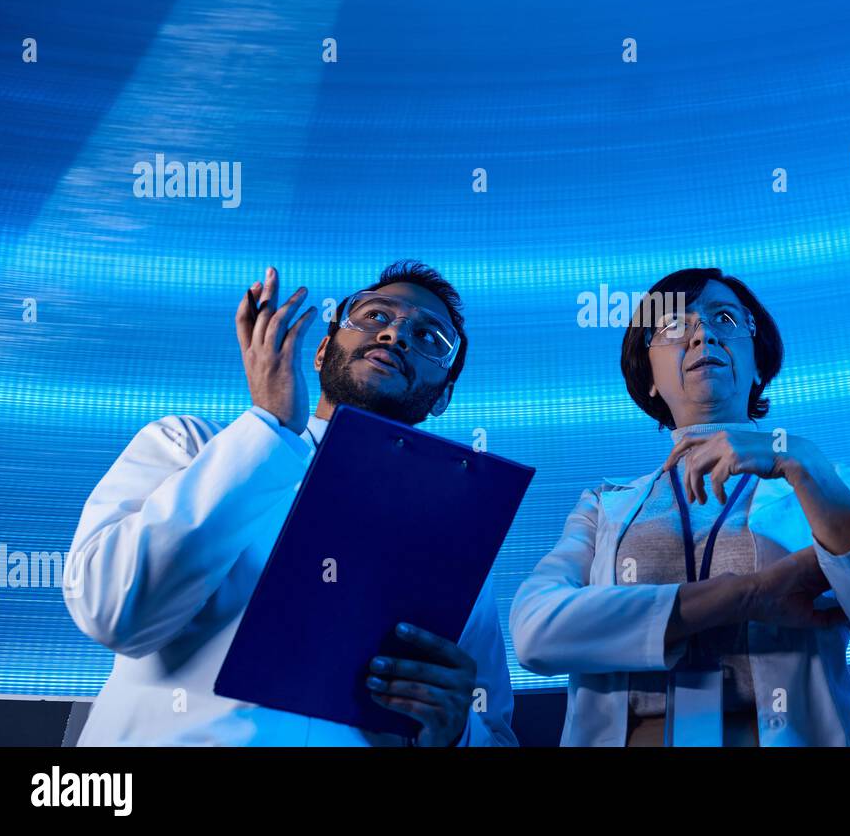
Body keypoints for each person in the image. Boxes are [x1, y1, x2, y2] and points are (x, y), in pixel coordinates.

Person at [64, 261, 516, 746]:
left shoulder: (457, 543)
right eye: (376, 316)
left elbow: (495, 733)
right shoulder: (187, 446)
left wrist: (456, 733)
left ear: (443, 397)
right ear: (322, 351)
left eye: (429, 338)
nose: (395, 336)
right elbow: (112, 612)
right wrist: (269, 427)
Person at [510, 268, 850, 746]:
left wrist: (801, 462)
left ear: (758, 363)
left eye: (725, 318)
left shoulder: (824, 484)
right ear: (647, 375)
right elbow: (535, 631)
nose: (702, 335)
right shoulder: (603, 506)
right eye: (673, 327)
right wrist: (748, 595)